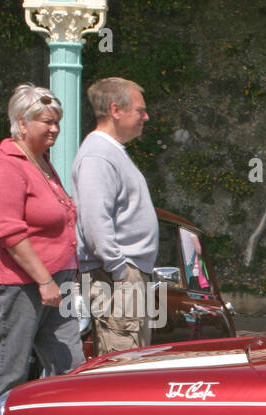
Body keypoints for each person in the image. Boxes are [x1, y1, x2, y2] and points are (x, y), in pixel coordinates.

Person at [0, 84, 82, 415]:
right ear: (21, 123)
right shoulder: (4, 165)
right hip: (18, 281)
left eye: (57, 122)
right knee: (9, 365)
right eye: (46, 122)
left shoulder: (41, 161)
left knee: (69, 365)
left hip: (57, 278)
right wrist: (44, 280)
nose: (54, 129)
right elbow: (9, 232)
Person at [72, 76, 159, 355]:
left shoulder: (109, 153)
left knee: (131, 359)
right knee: (122, 360)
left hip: (123, 273)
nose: (146, 116)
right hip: (115, 275)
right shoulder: (98, 155)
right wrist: (119, 270)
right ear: (115, 109)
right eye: (139, 110)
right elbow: (95, 220)